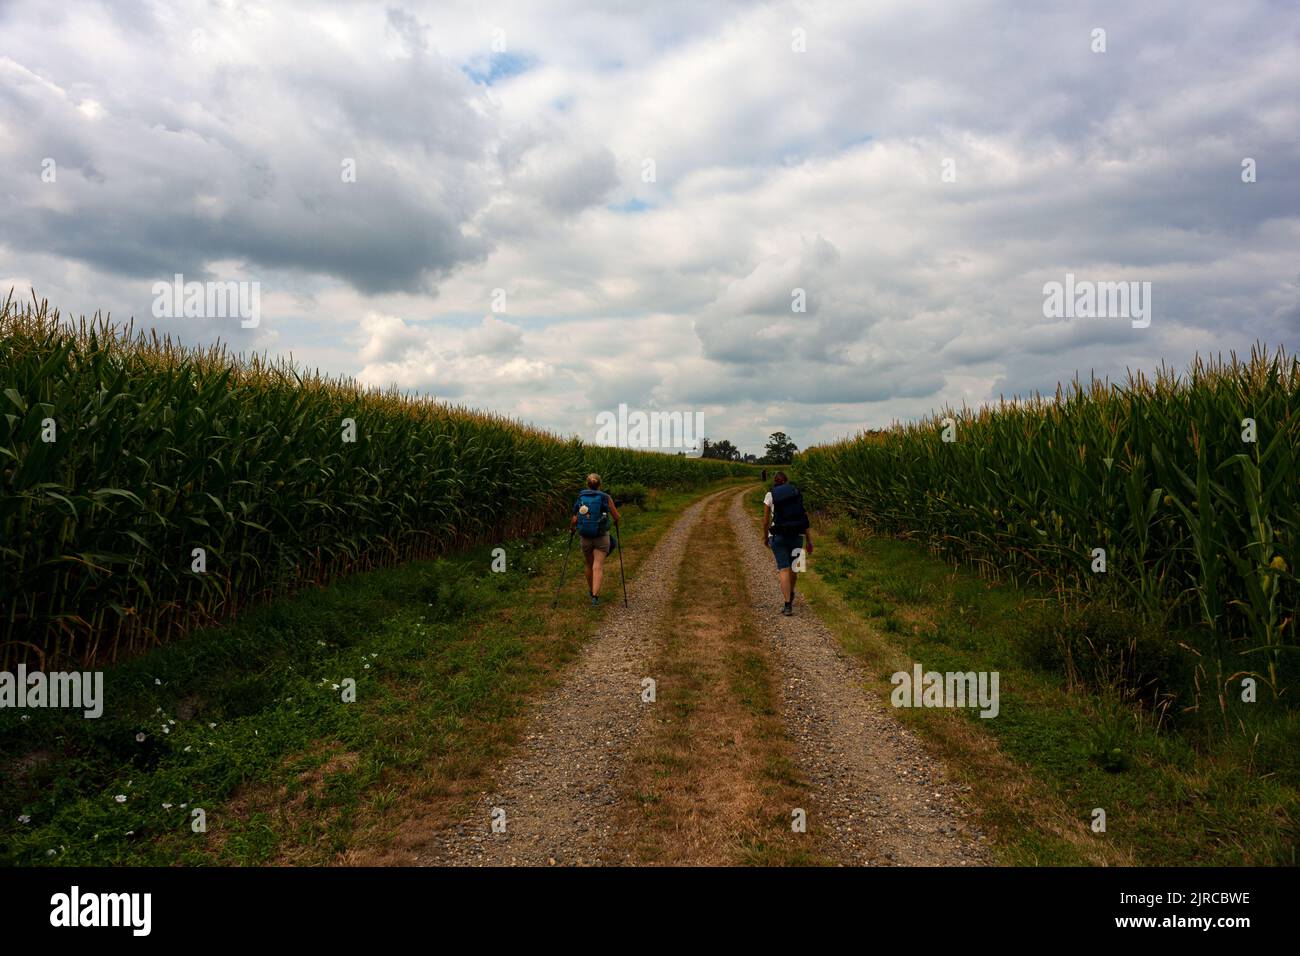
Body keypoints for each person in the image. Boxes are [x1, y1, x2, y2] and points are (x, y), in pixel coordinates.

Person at [762, 471, 812, 616]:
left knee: (784, 569)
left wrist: (765, 537)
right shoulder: (796, 492)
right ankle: (791, 592)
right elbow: (804, 517)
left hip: (778, 536)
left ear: (775, 482)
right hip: (798, 535)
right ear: (787, 481)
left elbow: (765, 521)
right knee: (795, 568)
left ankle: (788, 605)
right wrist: (809, 540)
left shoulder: (770, 495)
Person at [571, 473, 621, 607]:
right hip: (601, 536)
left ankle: (590, 590)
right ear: (600, 484)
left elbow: (574, 518)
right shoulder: (605, 497)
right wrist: (615, 521)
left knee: (589, 564)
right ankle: (595, 597)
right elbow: (616, 516)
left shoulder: (581, 497)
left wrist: (572, 528)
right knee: (597, 566)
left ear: (587, 484)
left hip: (585, 537)